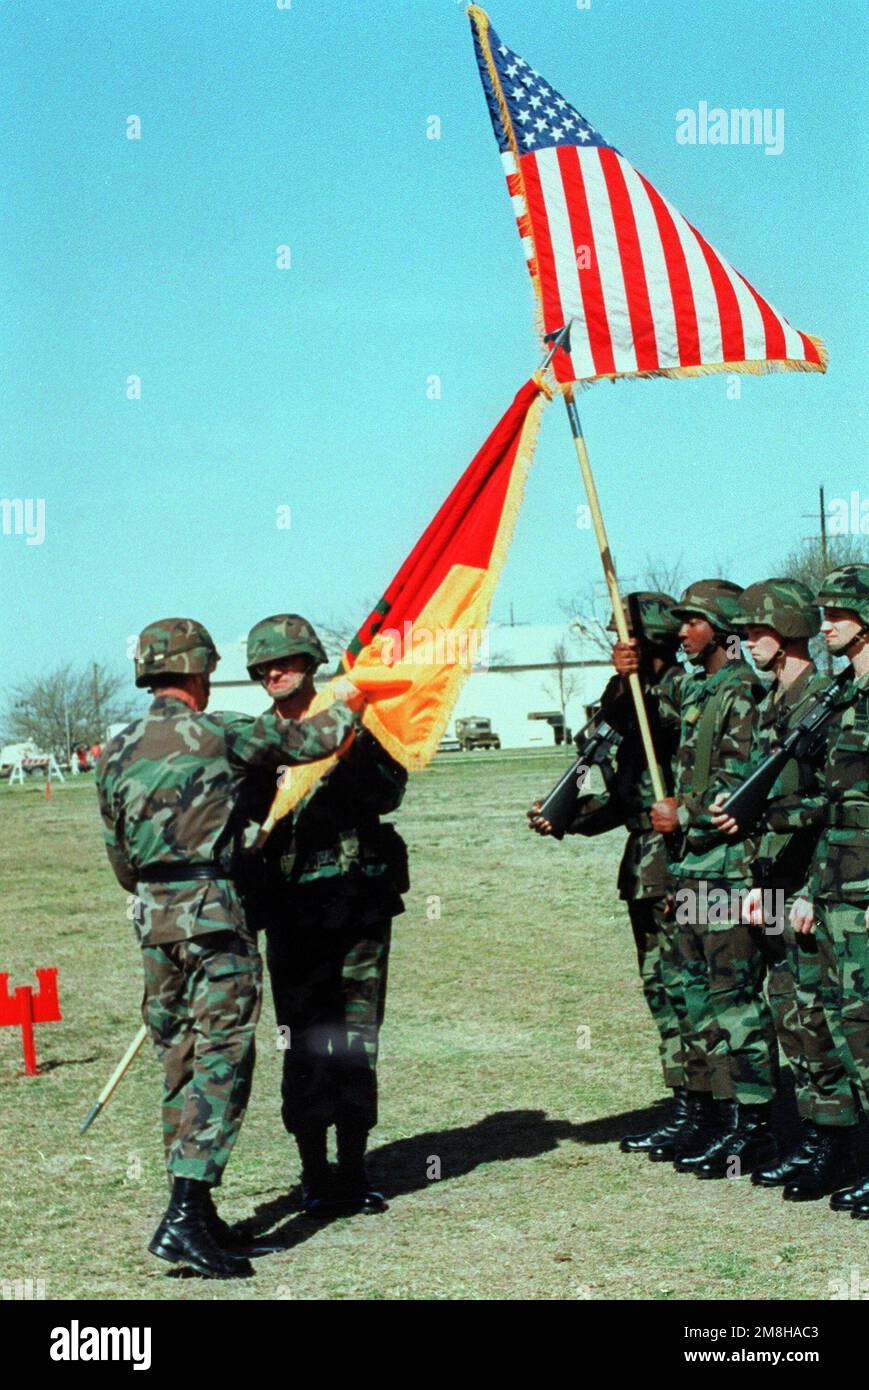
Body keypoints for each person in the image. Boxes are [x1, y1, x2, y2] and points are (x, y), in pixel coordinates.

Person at [96, 617, 364, 1278]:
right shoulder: (219, 733)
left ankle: (197, 1207)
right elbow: (311, 740)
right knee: (221, 1061)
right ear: (197, 671)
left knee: (180, 1061)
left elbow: (120, 861)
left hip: (153, 923)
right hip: (214, 918)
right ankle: (186, 1215)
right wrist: (358, 695)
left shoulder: (117, 748)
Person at [240, 615, 408, 1215]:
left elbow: (391, 792)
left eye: (283, 662)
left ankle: (356, 1168)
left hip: (360, 906)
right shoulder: (256, 740)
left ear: (309, 663)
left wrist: (352, 743)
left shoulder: (352, 719)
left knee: (357, 1039)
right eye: (262, 668)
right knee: (304, 1042)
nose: (272, 674)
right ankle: (314, 1171)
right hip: (293, 916)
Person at [710, 579, 860, 1201]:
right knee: (793, 1015)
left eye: (757, 631)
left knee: (829, 1019)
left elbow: (834, 804)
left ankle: (839, 1145)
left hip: (820, 881)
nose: (746, 642)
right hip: (781, 879)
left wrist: (771, 830)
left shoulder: (824, 700)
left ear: (788, 629)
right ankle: (816, 1138)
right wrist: (755, 873)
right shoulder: (778, 702)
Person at [528, 593, 692, 1152]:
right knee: (661, 989)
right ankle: (687, 1102)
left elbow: (666, 731)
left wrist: (633, 684)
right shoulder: (622, 697)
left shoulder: (677, 692)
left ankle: (721, 1109)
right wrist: (567, 818)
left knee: (692, 989)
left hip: (682, 863)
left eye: (627, 639)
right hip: (642, 865)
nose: (616, 647)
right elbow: (624, 793)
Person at [648, 579, 775, 1178]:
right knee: (696, 998)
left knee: (735, 1000)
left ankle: (756, 1124)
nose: (682, 631)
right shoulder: (702, 689)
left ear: (722, 628)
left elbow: (743, 790)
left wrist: (685, 813)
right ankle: (718, 1112)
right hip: (694, 868)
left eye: (693, 621)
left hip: (729, 870)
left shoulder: (744, 691)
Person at [788, 565, 869, 1218]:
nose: (826, 624)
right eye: (821, 613)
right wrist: (814, 887)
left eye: (837, 613)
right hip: (840, 885)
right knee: (847, 1029)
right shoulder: (841, 697)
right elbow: (836, 807)